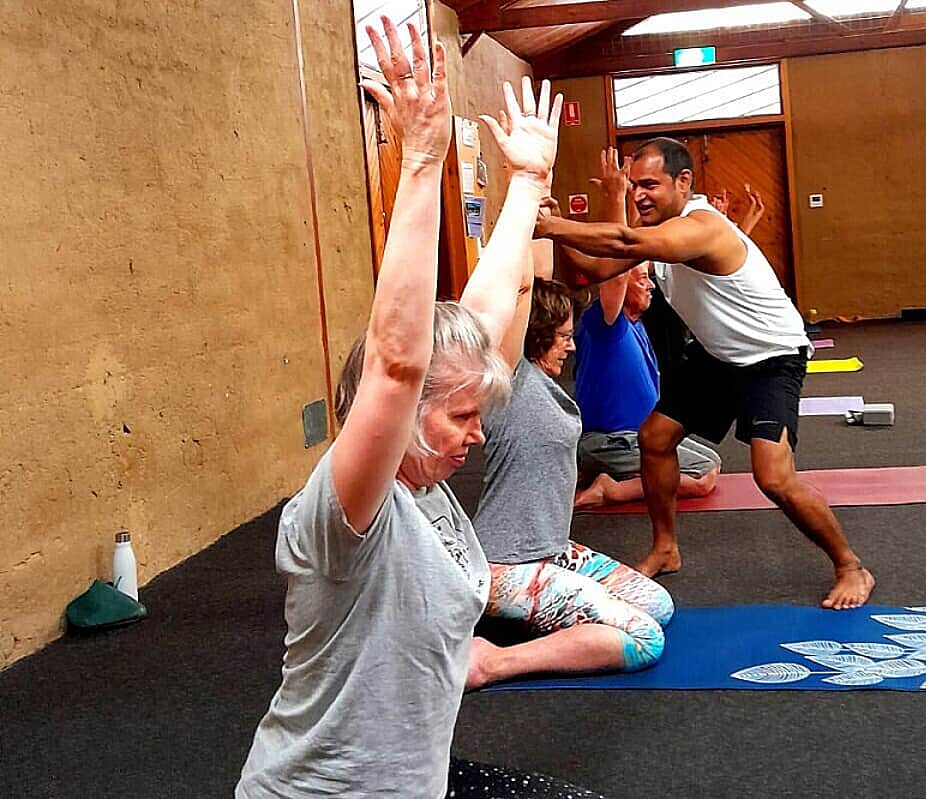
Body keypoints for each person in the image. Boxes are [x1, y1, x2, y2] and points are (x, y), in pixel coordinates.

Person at [236, 19, 598, 798]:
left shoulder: (426, 483)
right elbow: (400, 364)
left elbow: (483, 318)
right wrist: (422, 160)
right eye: (460, 417)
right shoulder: (346, 514)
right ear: (397, 412)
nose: (476, 434)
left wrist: (529, 185)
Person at [534, 136, 875, 610]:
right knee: (654, 438)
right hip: (717, 357)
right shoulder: (662, 229)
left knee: (772, 477)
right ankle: (665, 547)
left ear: (684, 182)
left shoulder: (702, 228)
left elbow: (626, 239)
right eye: (633, 186)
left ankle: (850, 564)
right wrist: (553, 232)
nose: (638, 195)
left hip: (770, 358)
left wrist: (551, 222)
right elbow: (595, 267)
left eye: (649, 184)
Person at [467, 270, 675, 689]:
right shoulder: (509, 381)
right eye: (563, 335)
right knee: (644, 640)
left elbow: (540, 273)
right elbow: (518, 288)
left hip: (552, 551)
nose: (573, 344)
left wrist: (545, 218)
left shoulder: (543, 384)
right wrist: (524, 207)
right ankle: (493, 661)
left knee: (658, 604)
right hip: (502, 563)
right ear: (535, 335)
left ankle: (534, 614)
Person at [568, 147, 720, 508]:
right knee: (700, 475)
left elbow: (637, 244)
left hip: (635, 437)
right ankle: (611, 489)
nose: (649, 284)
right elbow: (617, 264)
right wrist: (615, 197)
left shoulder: (637, 327)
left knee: (709, 461)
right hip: (609, 441)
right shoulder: (609, 325)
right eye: (640, 279)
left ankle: (622, 474)